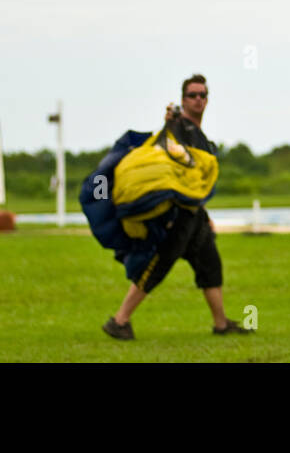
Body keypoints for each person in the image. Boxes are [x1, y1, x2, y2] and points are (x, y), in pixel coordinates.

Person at [85, 74, 251, 340]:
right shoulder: (179, 130)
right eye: (193, 95)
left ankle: (221, 324)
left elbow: (193, 180)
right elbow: (170, 167)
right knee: (156, 267)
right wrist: (170, 122)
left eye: (203, 95)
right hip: (179, 216)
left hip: (195, 214)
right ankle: (119, 320)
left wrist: (204, 215)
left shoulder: (197, 134)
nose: (198, 100)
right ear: (183, 100)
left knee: (210, 266)